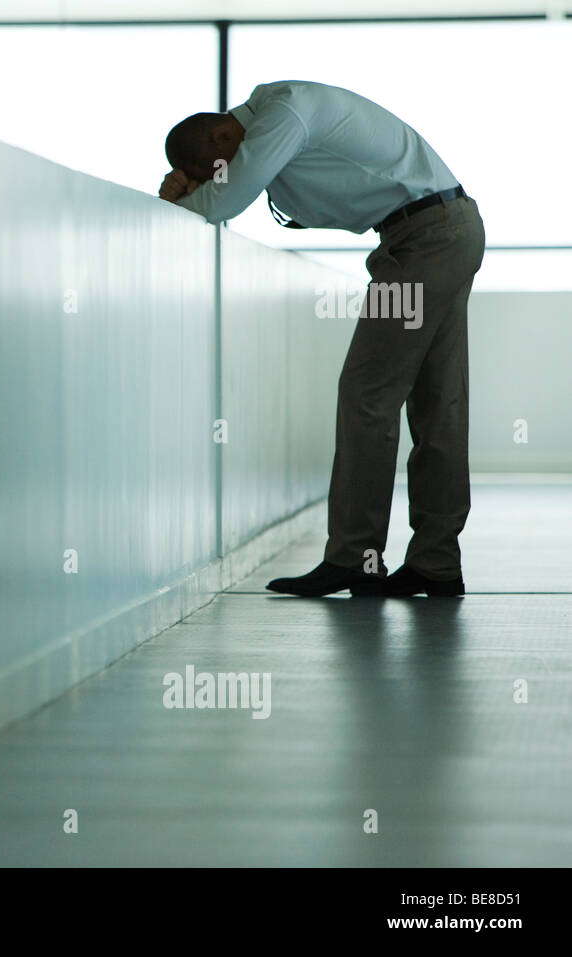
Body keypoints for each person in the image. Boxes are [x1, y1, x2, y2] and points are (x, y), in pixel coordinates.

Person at [159, 80, 485, 597]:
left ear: (224, 136)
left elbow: (223, 204)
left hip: (425, 239)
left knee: (367, 394)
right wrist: (203, 188)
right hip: (443, 228)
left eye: (211, 171)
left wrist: (179, 201)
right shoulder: (278, 118)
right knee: (436, 403)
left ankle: (356, 558)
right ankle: (436, 561)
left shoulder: (282, 117)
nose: (216, 179)